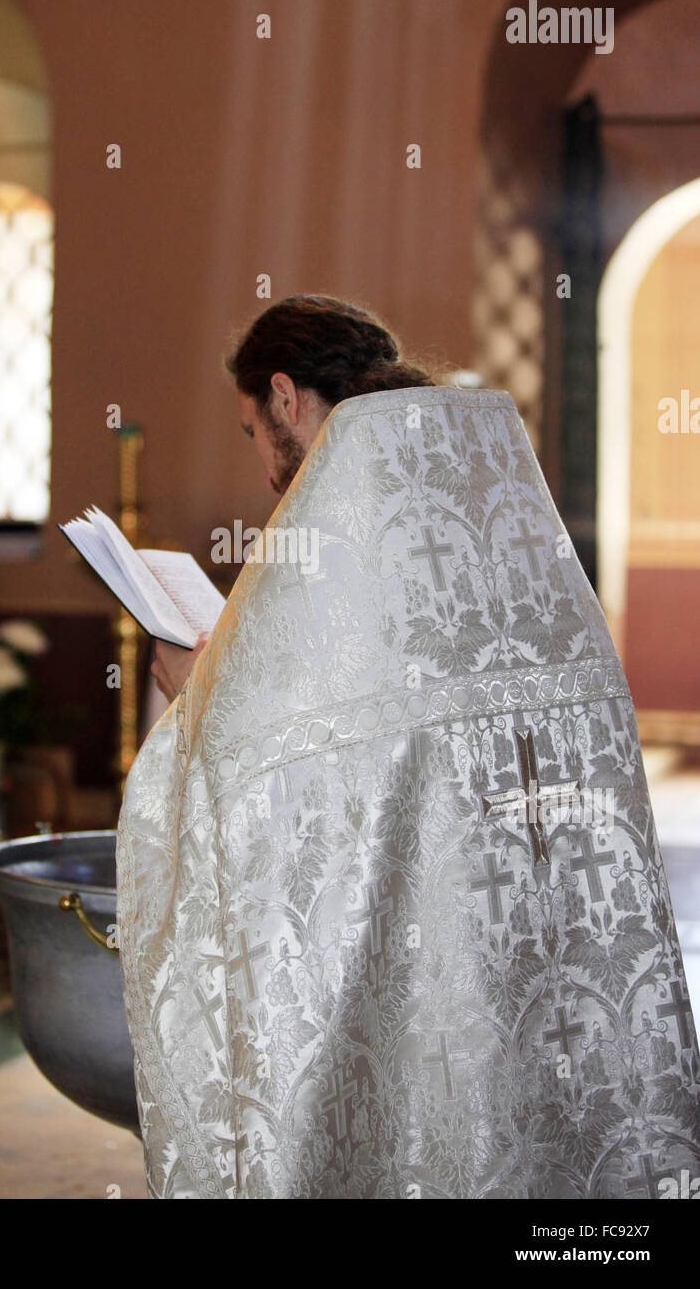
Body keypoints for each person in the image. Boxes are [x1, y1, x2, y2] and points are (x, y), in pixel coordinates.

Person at [119, 294, 700, 1199]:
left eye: (251, 431)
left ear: (284, 396)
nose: (266, 468)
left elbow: (271, 751)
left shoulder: (340, 502)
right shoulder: (469, 467)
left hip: (419, 893)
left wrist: (189, 698)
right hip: (520, 883)